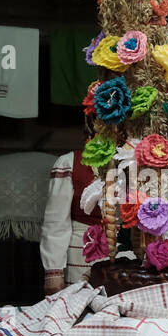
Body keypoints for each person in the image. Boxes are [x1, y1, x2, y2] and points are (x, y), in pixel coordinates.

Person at [40, 119, 100, 295]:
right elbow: (55, 224)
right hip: (81, 259)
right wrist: (54, 272)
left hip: (123, 262)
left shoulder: (133, 162)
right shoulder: (69, 163)